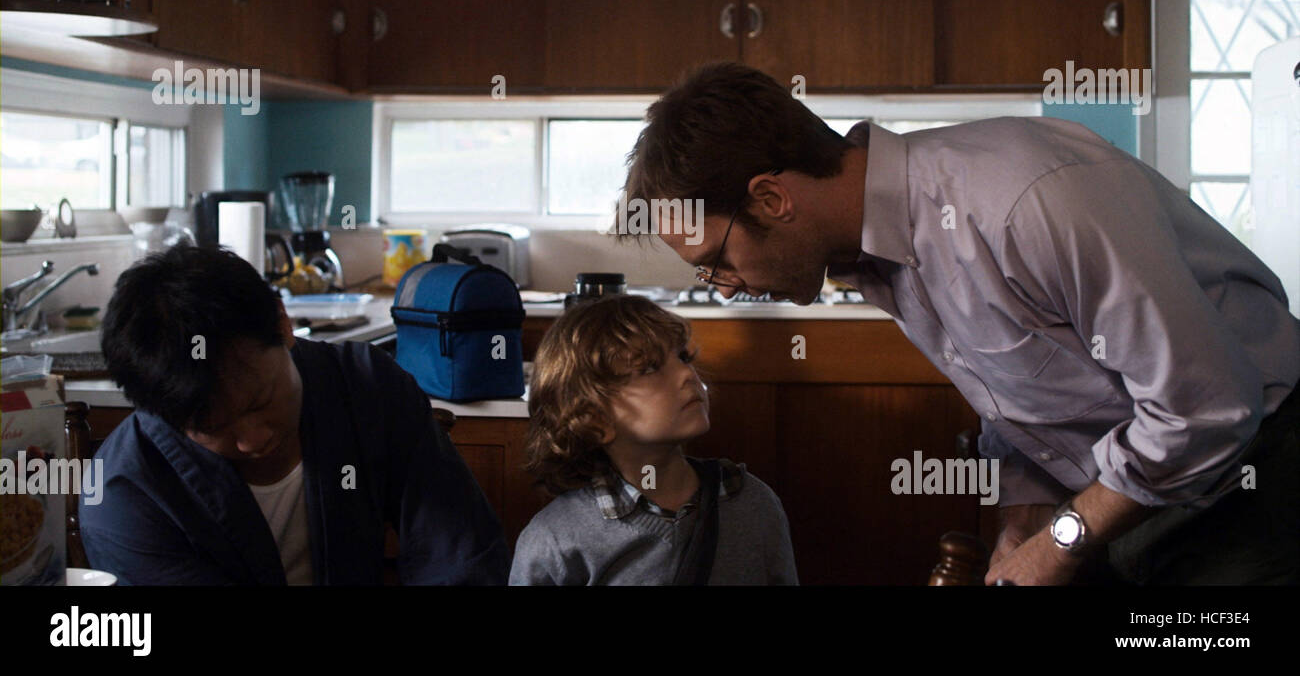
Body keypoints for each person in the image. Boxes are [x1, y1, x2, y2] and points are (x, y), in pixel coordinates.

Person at [619, 61, 1300, 585]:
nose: (723, 286)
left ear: (771, 197)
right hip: (1140, 496)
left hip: (1254, 477)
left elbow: (1205, 405)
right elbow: (1025, 383)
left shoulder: (1021, 203)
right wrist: (1027, 512)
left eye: (716, 260)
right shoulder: (875, 254)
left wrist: (1063, 538)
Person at [80, 245, 509, 585]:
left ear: (283, 324)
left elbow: (458, 555)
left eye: (259, 402)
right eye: (212, 429)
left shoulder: (366, 388)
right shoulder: (126, 493)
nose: (251, 440)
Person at [509, 295, 798, 585]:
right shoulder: (556, 540)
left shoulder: (752, 502)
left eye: (683, 357)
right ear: (593, 419)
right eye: (648, 368)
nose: (687, 374)